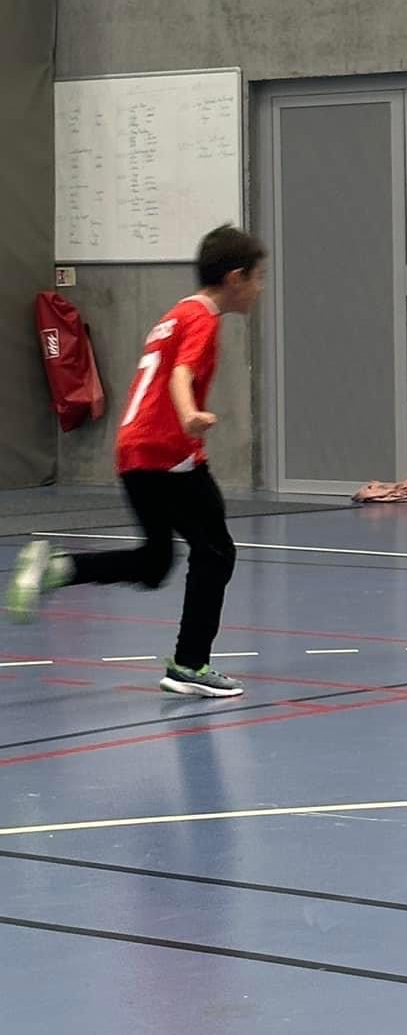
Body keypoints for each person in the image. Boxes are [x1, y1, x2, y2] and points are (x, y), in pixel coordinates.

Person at [7, 224, 267, 696]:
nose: (260, 288)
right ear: (235, 277)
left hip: (133, 451)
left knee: (154, 562)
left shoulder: (176, 314)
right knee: (216, 552)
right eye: (258, 277)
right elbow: (182, 374)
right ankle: (189, 665)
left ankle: (59, 569)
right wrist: (189, 415)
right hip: (168, 453)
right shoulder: (202, 320)